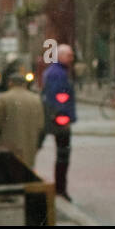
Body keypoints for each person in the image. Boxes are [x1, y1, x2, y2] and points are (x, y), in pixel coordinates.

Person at [41, 43, 77, 200]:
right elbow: (59, 98)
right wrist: (64, 119)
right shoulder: (59, 74)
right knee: (63, 155)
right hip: (58, 121)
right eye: (69, 55)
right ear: (60, 56)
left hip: (52, 118)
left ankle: (60, 188)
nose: (72, 59)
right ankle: (60, 189)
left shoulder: (54, 71)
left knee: (61, 154)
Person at [0, 72, 44, 171]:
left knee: (9, 174)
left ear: (10, 83)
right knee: (26, 173)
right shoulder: (36, 99)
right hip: (29, 147)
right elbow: (41, 125)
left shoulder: (4, 99)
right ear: (24, 84)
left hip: (8, 148)